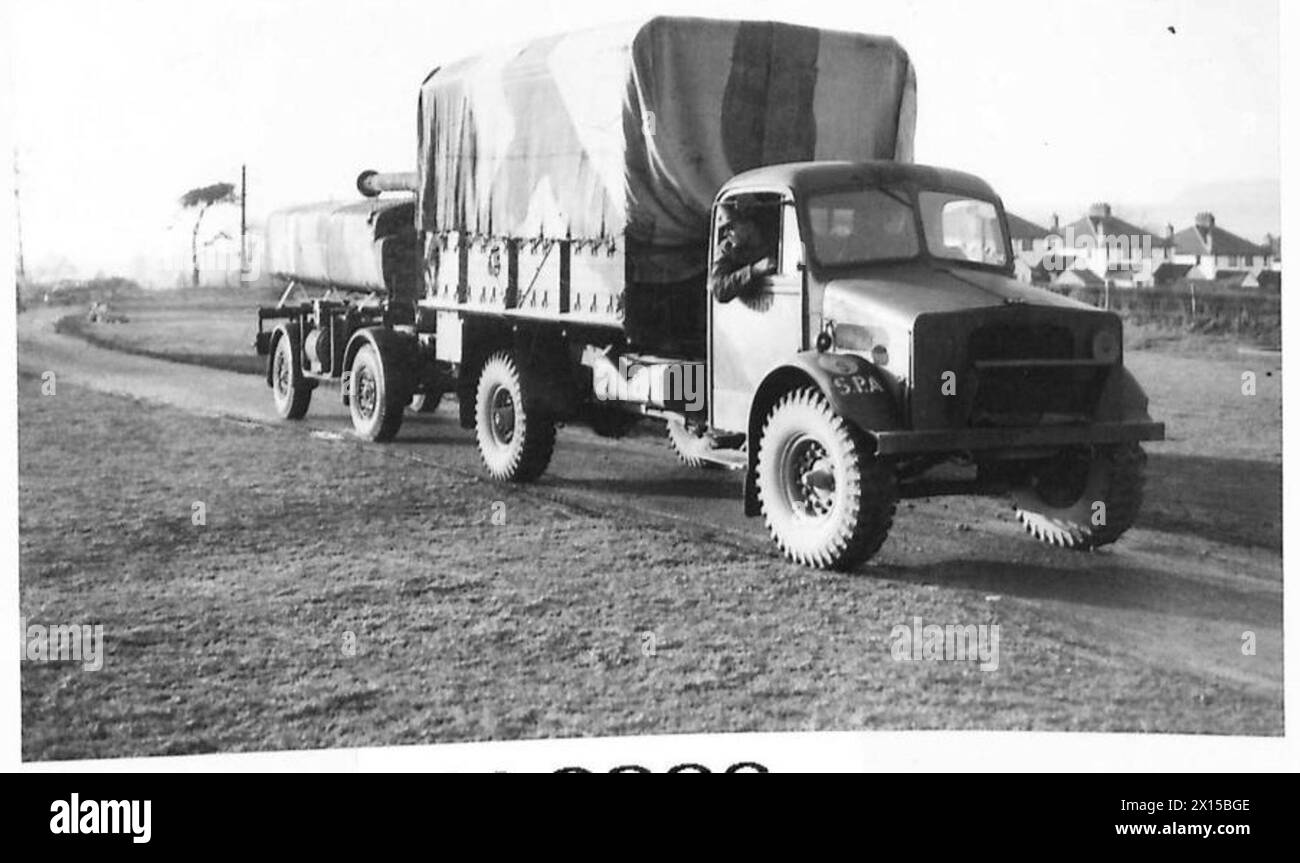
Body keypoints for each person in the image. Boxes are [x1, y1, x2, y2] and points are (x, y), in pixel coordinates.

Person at [711, 208, 776, 303]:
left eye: (730, 227)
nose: (725, 233)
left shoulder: (775, 245)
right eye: (724, 229)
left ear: (749, 224)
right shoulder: (727, 249)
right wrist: (752, 271)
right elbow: (719, 289)